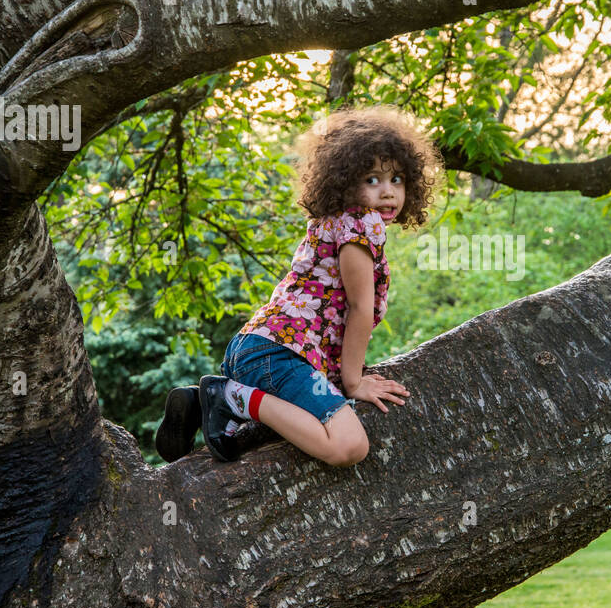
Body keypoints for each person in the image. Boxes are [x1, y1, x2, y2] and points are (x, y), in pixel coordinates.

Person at [155, 105, 443, 466]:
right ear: (345, 180)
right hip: (280, 357)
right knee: (349, 446)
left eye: (397, 179)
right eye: (372, 180)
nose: (388, 192)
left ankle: (202, 405)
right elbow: (359, 308)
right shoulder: (360, 226)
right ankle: (227, 397)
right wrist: (353, 383)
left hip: (259, 351)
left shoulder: (336, 223)